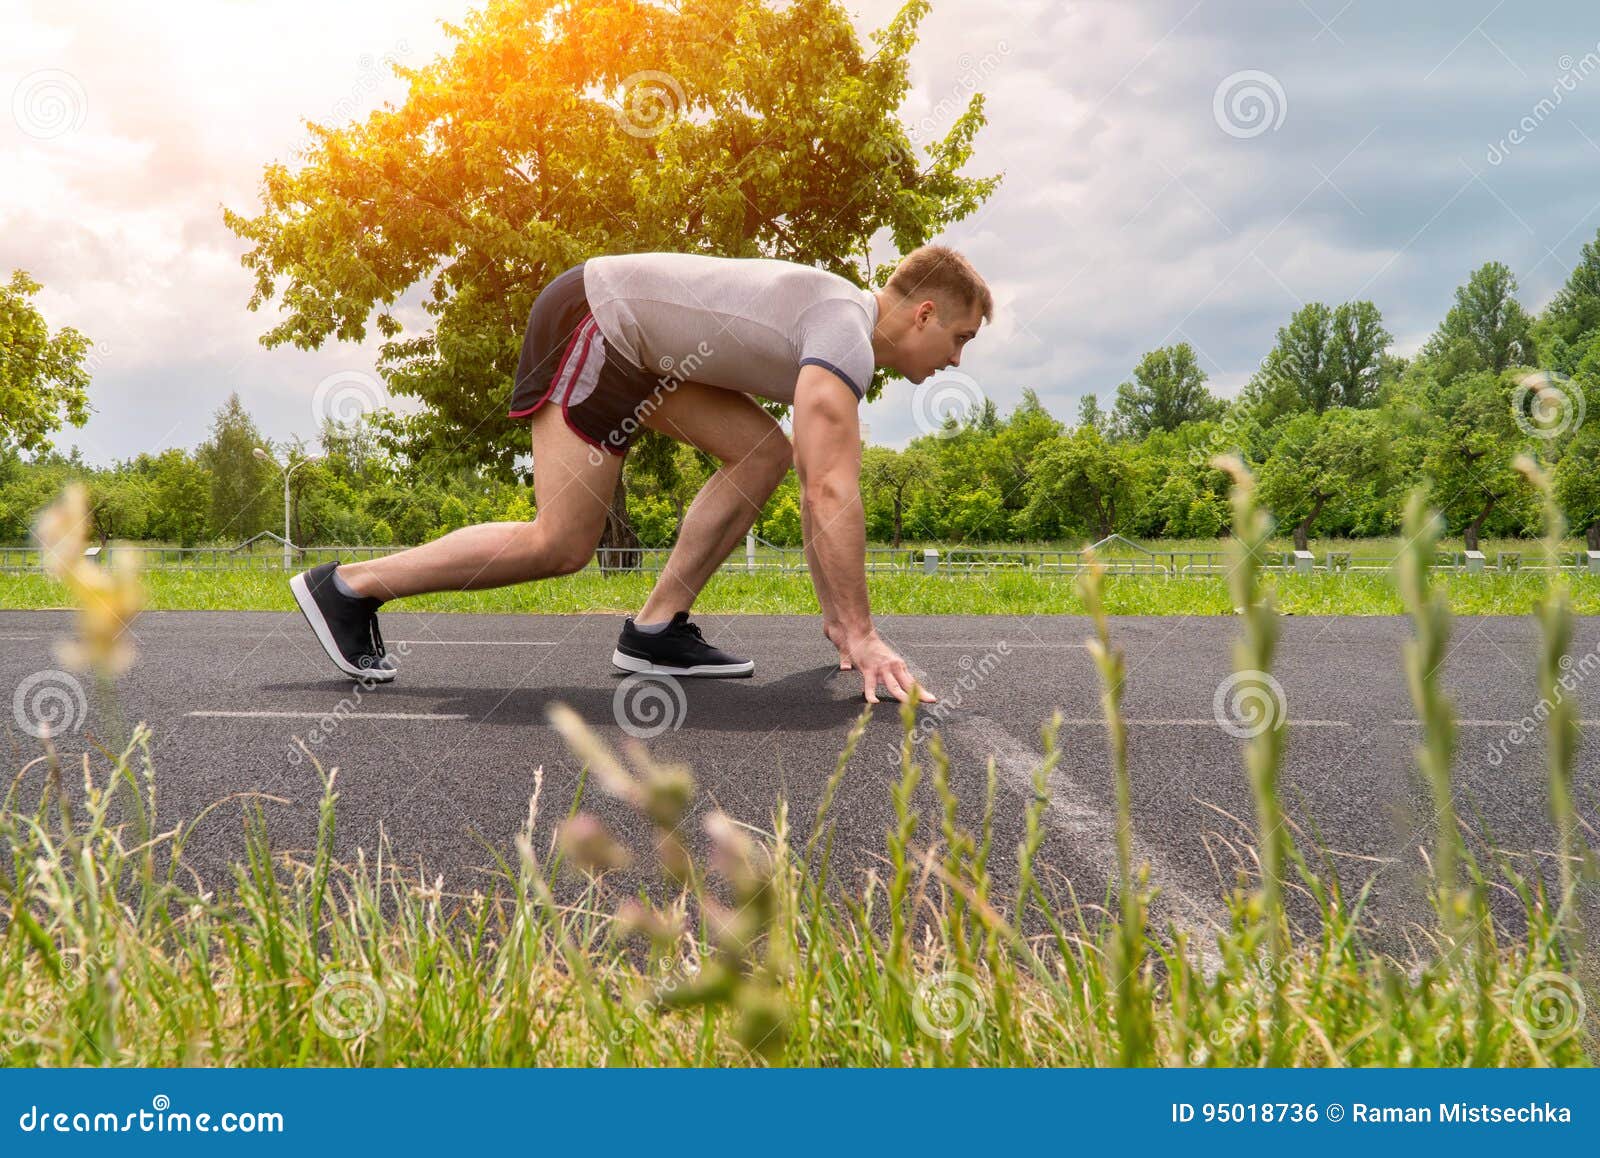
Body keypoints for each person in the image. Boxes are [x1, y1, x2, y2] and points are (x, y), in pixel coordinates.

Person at [290, 244, 991, 704]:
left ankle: (655, 631)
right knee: (561, 544)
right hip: (594, 321)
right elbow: (831, 489)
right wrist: (864, 634)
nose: (956, 360)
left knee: (763, 452)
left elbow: (816, 476)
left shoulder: (841, 328)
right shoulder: (844, 329)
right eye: (958, 338)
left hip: (642, 349)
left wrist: (842, 620)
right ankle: (347, 588)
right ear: (924, 312)